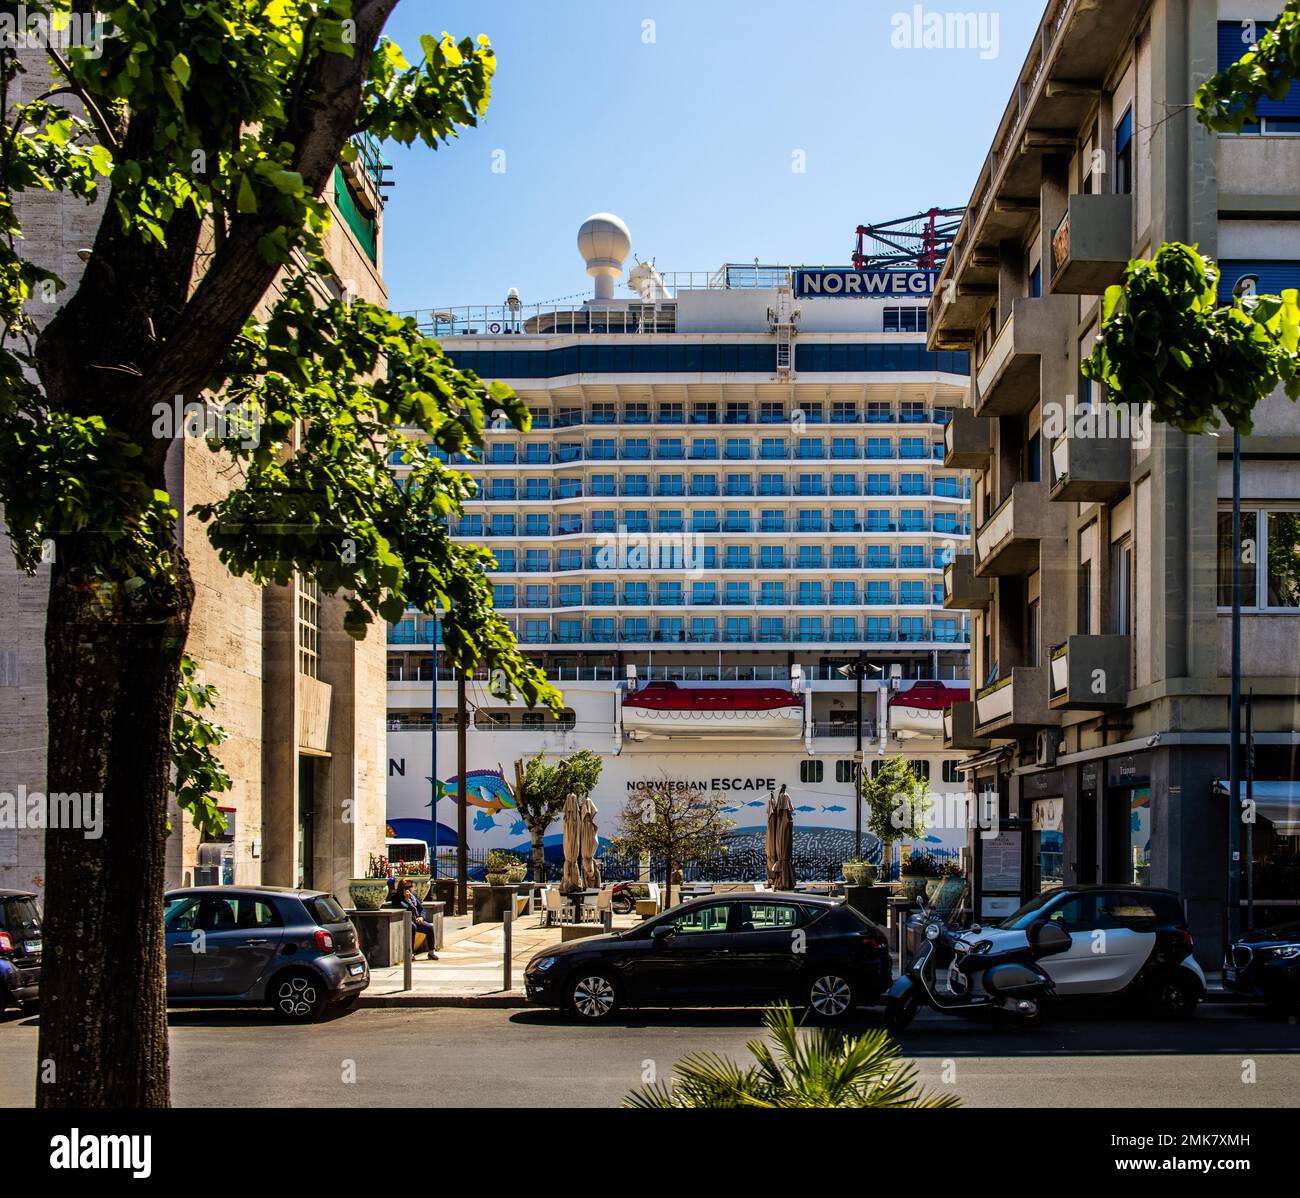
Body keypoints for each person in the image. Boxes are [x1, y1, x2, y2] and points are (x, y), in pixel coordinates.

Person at [395, 878, 439, 960]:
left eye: (410, 887)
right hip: (406, 920)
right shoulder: (397, 898)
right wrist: (406, 899)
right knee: (413, 927)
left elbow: (421, 908)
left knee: (429, 927)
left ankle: (431, 952)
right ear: (401, 888)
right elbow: (405, 908)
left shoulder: (413, 896)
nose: (409, 889)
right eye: (406, 887)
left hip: (417, 919)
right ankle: (410, 953)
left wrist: (421, 917)